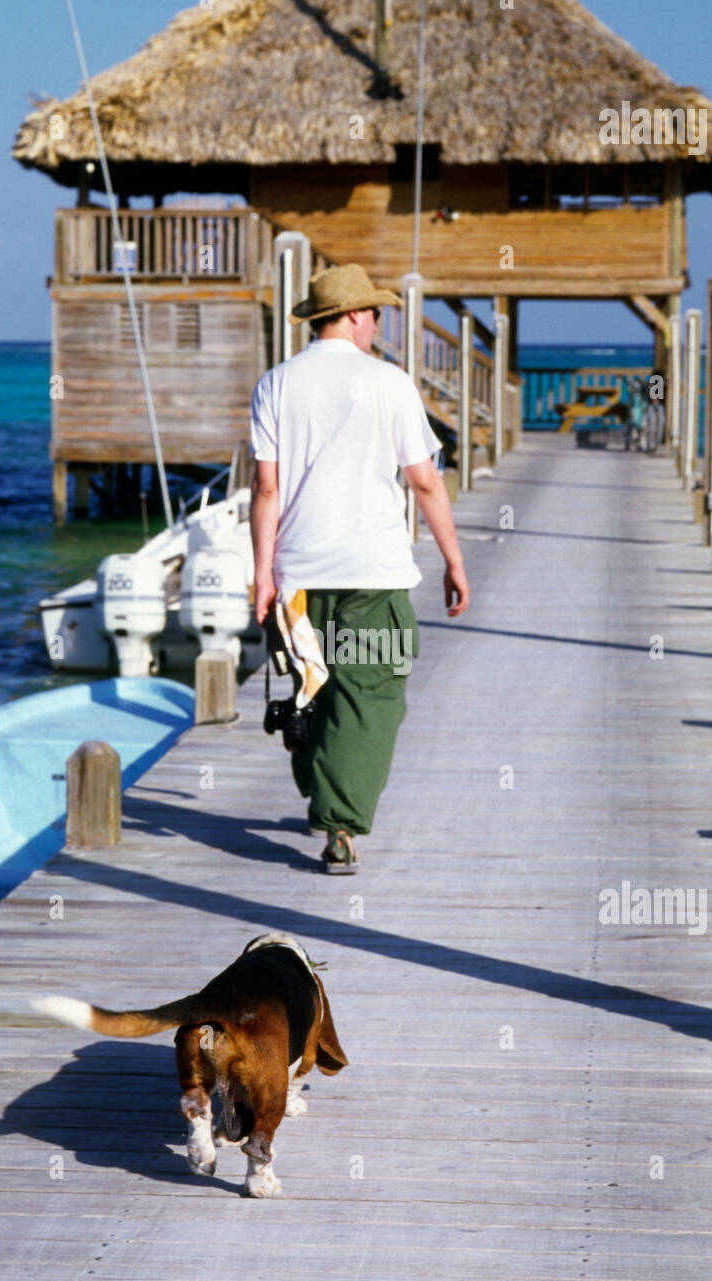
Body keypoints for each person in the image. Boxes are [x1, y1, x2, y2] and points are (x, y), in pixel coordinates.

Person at [249, 262, 469, 873]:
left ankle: (321, 782)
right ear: (351, 316)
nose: (378, 323)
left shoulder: (275, 384)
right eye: (374, 313)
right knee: (370, 693)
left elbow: (265, 490)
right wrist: (454, 561)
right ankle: (340, 826)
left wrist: (263, 573)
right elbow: (424, 481)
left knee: (314, 687)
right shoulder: (390, 383)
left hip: (297, 573)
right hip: (373, 570)